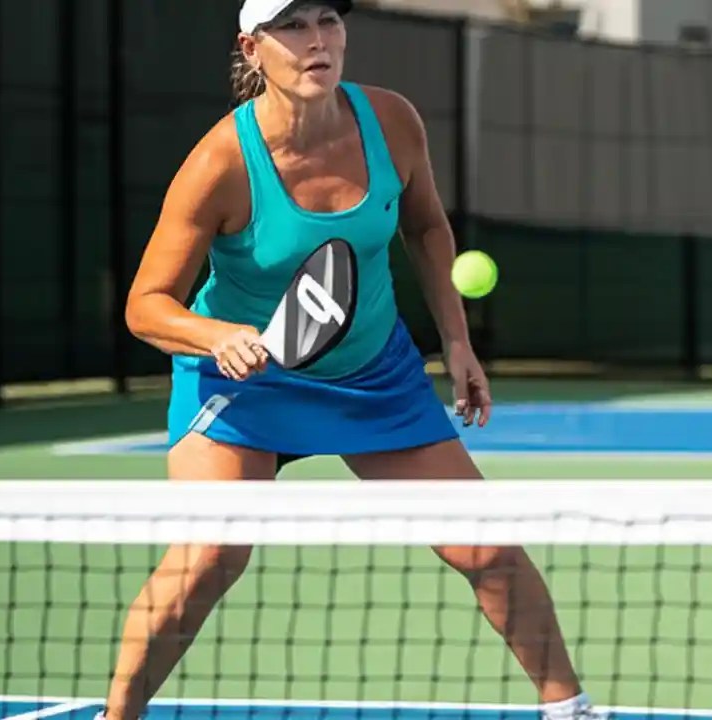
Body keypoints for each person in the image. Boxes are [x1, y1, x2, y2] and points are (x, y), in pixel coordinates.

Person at [94, 2, 607, 718]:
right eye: (294, 27)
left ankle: (572, 710)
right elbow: (146, 304)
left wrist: (456, 341)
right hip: (244, 382)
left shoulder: (391, 121)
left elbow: (426, 227)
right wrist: (219, 338)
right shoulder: (222, 163)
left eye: (328, 20)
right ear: (253, 46)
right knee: (208, 558)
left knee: (487, 549)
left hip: (372, 374)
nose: (317, 41)